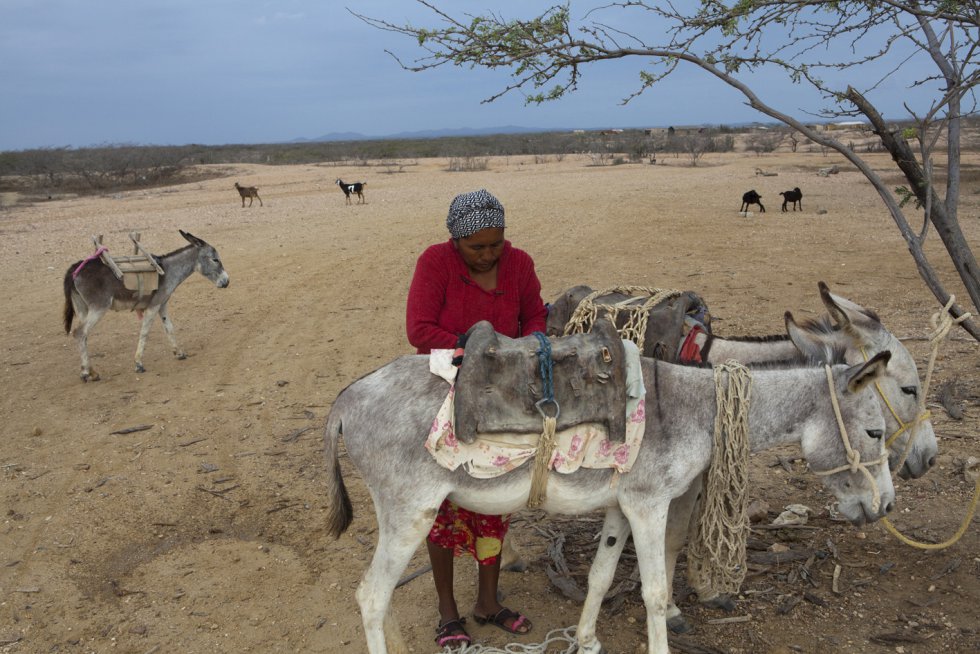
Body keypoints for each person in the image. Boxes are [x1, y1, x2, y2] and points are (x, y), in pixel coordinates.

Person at [406, 189, 547, 649]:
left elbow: (536, 318)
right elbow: (419, 329)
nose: (488, 255)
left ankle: (488, 601)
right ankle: (448, 611)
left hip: (503, 395)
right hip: (446, 392)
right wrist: (477, 351)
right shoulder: (435, 263)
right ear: (455, 241)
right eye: (477, 247)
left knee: (494, 499)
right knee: (444, 503)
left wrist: (522, 351)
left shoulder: (519, 264)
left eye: (495, 244)